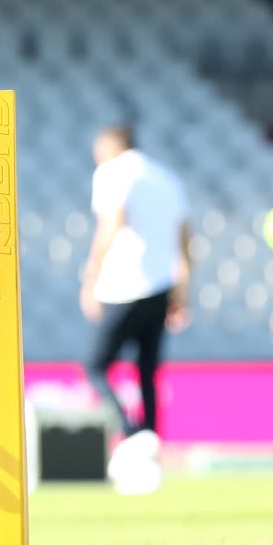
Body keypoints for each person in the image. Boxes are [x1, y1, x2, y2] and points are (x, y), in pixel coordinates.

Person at [78, 124, 190, 493]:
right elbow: (184, 241)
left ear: (109, 147)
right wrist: (181, 292)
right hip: (160, 287)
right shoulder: (166, 178)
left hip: (123, 285)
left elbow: (113, 223)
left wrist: (91, 277)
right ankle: (151, 447)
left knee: (96, 365)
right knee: (147, 371)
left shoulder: (112, 172)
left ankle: (131, 433)